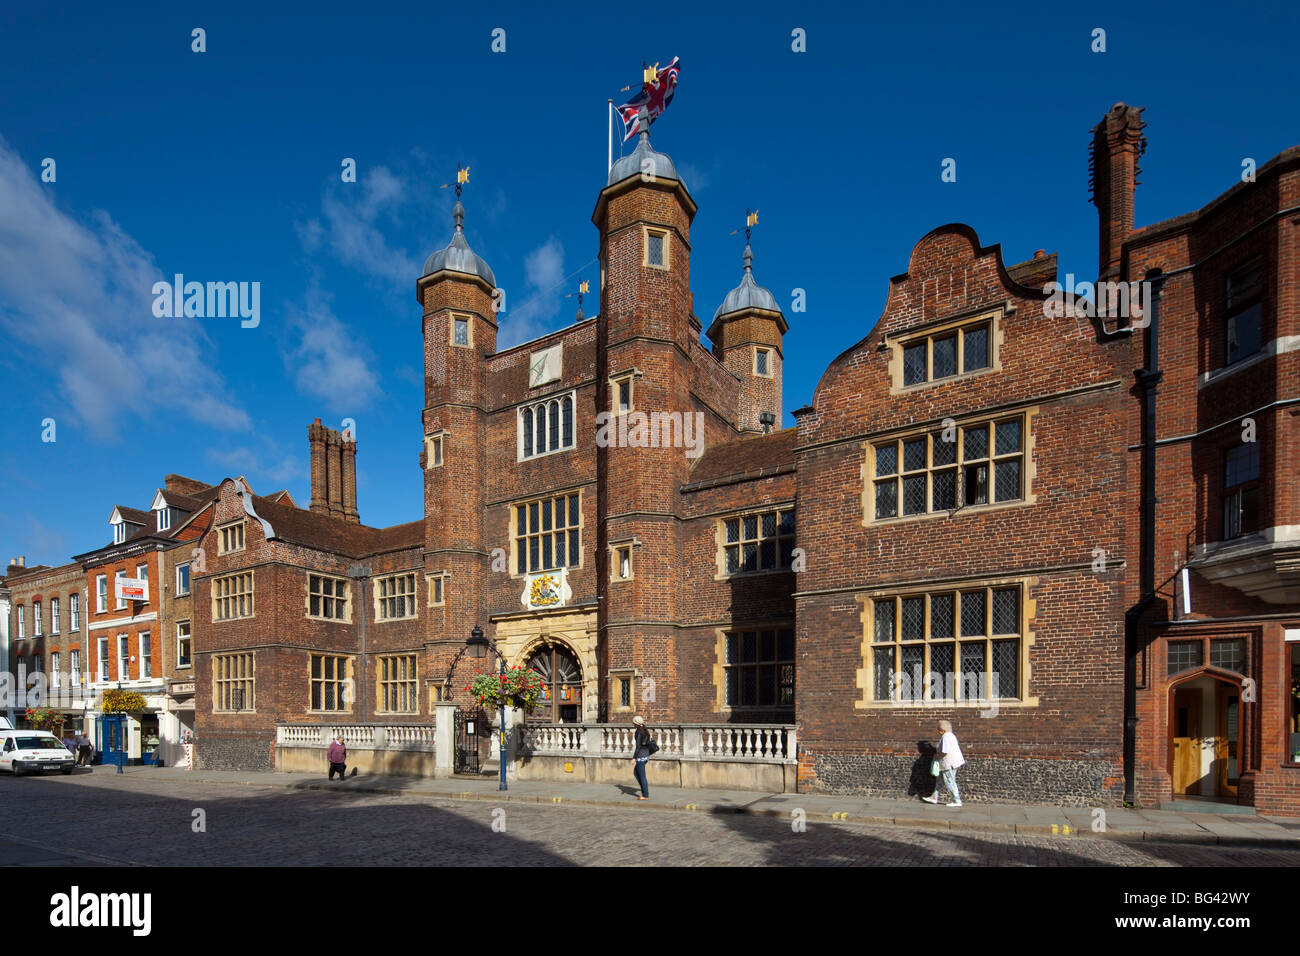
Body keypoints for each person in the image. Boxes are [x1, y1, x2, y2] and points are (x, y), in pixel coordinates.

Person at [922, 720, 964, 807]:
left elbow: (945, 751)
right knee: (940, 781)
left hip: (949, 764)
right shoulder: (950, 735)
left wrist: (937, 756)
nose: (937, 731)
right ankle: (934, 797)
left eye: (938, 729)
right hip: (951, 762)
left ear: (942, 729)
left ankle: (957, 801)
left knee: (950, 781)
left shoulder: (946, 737)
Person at [631, 716, 652, 800]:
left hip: (641, 756)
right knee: (636, 772)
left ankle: (645, 795)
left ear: (636, 723)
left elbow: (638, 747)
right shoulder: (645, 730)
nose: (632, 724)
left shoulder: (639, 732)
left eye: (633, 723)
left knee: (642, 776)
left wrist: (634, 758)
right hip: (646, 754)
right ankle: (644, 789)